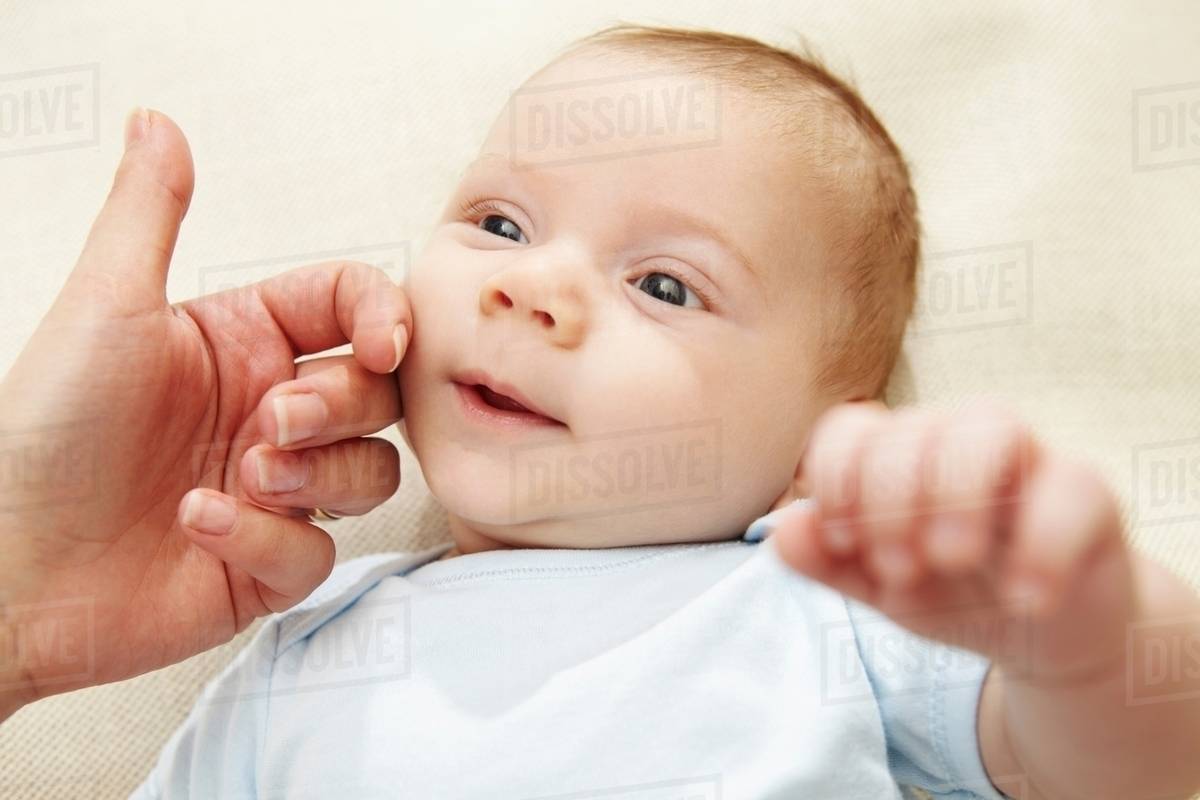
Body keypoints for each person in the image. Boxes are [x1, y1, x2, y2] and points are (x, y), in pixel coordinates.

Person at [5, 23, 1200, 800]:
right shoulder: (305, 634)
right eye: (502, 224)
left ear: (814, 447)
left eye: (665, 285)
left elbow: (1123, 762)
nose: (531, 286)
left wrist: (1087, 633)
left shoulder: (815, 593)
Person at [0, 107, 412, 721]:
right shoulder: (312, 647)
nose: (533, 284)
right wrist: (19, 611)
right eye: (501, 227)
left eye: (618, 283)